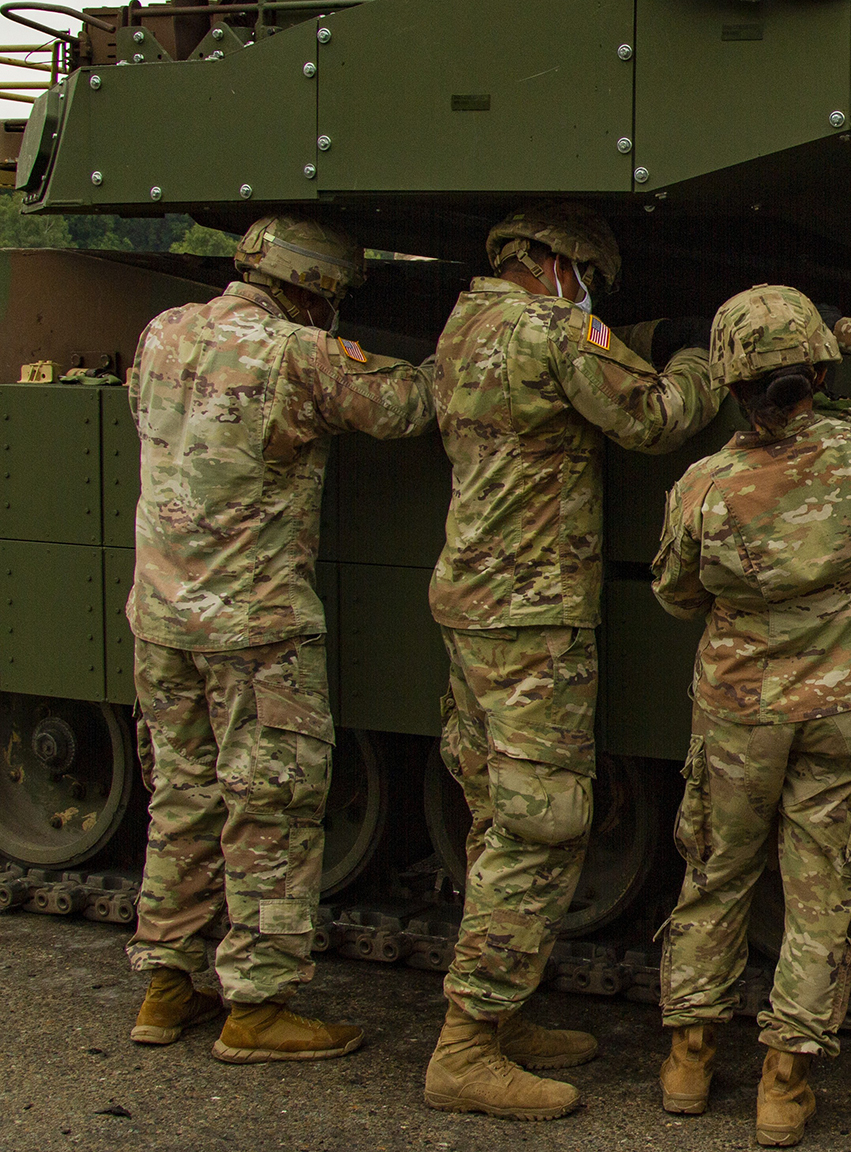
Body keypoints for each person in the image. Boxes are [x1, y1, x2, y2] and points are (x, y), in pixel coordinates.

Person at [421, 202, 726, 1120]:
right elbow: (655, 416)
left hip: (474, 601)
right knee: (542, 827)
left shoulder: (466, 320)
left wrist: (635, 337)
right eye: (590, 281)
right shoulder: (554, 330)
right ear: (562, 267)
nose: (589, 296)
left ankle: (502, 1018)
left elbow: (589, 357)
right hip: (533, 616)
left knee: (496, 814)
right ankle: (466, 1048)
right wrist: (702, 357)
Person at [650, 286, 851, 1147]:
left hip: (739, 713)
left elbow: (676, 595)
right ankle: (783, 1085)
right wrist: (849, 328)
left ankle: (688, 1061)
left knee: (716, 874)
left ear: (729, 385)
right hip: (847, 705)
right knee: (822, 893)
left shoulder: (703, 486)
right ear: (818, 373)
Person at [125, 215, 435, 1062]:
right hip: (254, 630)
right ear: (317, 292)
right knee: (272, 811)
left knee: (183, 798)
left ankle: (166, 984)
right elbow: (409, 405)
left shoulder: (163, 331)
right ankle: (257, 1007)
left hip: (161, 616)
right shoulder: (298, 354)